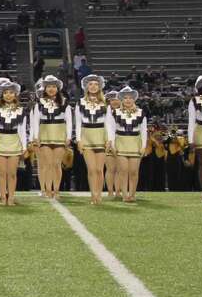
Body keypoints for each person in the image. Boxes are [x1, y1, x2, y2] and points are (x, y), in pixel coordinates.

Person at [30, 75, 71, 201]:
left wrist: (68, 136)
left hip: (59, 136)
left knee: (56, 164)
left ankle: (56, 190)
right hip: (44, 136)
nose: (51, 89)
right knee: (47, 164)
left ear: (58, 88)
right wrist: (35, 137)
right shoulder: (38, 103)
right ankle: (47, 190)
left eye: (54, 86)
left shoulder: (64, 102)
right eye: (49, 87)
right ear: (45, 88)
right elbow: (36, 121)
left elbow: (69, 121)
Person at [0, 78, 28, 207]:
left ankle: (11, 197)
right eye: (5, 93)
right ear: (2, 95)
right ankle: (2, 197)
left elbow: (22, 129)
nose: (8, 95)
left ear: (15, 94)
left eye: (11, 92)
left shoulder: (21, 110)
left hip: (14, 142)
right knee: (2, 173)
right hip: (0, 141)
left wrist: (24, 146)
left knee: (12, 173)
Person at [73, 74, 111, 205]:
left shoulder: (106, 102)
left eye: (96, 84)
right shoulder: (80, 102)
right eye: (90, 84)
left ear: (100, 86)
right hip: (86, 136)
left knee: (100, 169)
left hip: (101, 136)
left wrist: (109, 139)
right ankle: (93, 194)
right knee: (91, 169)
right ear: (86, 87)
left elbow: (109, 123)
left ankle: (99, 194)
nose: (93, 86)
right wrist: (78, 140)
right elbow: (78, 123)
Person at [111, 85, 147, 203]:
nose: (128, 100)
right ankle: (124, 194)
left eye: (130, 98)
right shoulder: (115, 112)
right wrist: (112, 145)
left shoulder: (141, 112)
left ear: (134, 99)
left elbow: (143, 131)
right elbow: (111, 130)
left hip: (135, 143)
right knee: (123, 170)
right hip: (120, 142)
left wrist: (143, 146)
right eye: (125, 98)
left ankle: (132, 194)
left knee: (134, 171)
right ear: (121, 99)